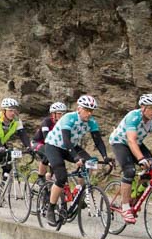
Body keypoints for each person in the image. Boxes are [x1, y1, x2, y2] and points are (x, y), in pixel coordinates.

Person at [108, 94, 152, 218]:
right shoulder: (133, 116)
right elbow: (131, 140)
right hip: (120, 142)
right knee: (129, 171)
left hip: (137, 143)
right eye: (151, 108)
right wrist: (141, 159)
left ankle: (135, 198)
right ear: (142, 107)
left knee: (151, 169)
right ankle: (125, 208)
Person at [42, 95, 109, 224]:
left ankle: (79, 191)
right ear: (79, 109)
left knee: (89, 163)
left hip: (71, 146)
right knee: (61, 178)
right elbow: (66, 139)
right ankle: (50, 208)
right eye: (86, 110)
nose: (89, 113)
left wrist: (105, 156)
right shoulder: (69, 118)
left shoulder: (92, 122)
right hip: (54, 146)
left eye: (91, 111)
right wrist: (75, 157)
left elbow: (98, 140)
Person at [34, 101, 68, 183]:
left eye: (63, 114)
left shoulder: (65, 123)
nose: (62, 116)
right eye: (59, 113)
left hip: (52, 144)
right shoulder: (47, 122)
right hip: (38, 142)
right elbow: (47, 138)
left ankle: (50, 176)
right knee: (47, 152)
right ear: (53, 114)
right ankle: (40, 177)